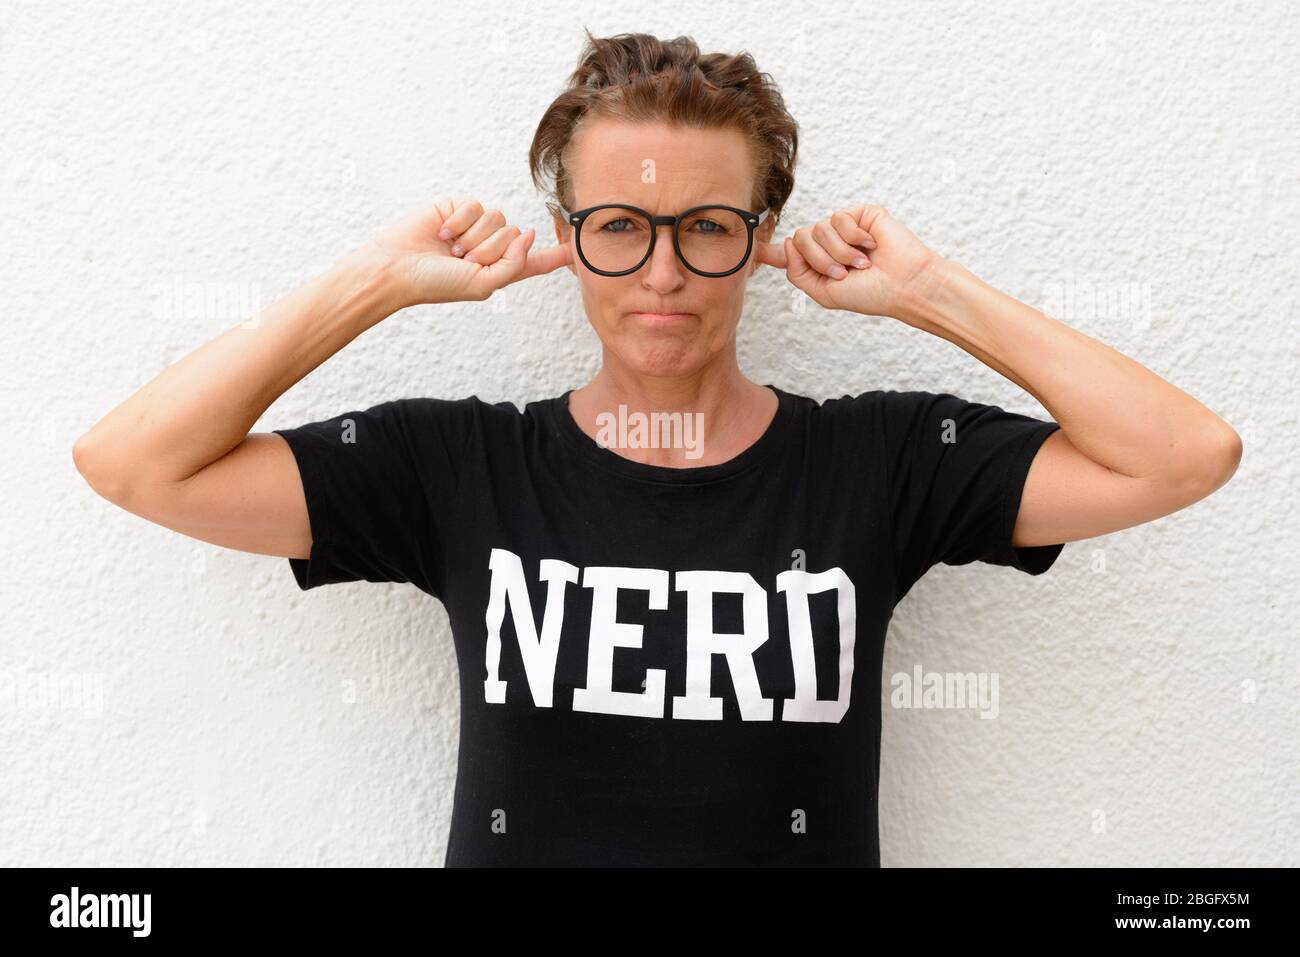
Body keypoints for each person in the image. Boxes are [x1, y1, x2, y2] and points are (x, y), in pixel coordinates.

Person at [72, 31, 1241, 867]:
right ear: (568, 238)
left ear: (761, 236)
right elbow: (135, 464)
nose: (665, 271)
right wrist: (371, 286)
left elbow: (1184, 455)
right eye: (621, 227)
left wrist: (931, 293)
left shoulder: (885, 460)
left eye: (706, 227)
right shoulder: (455, 468)